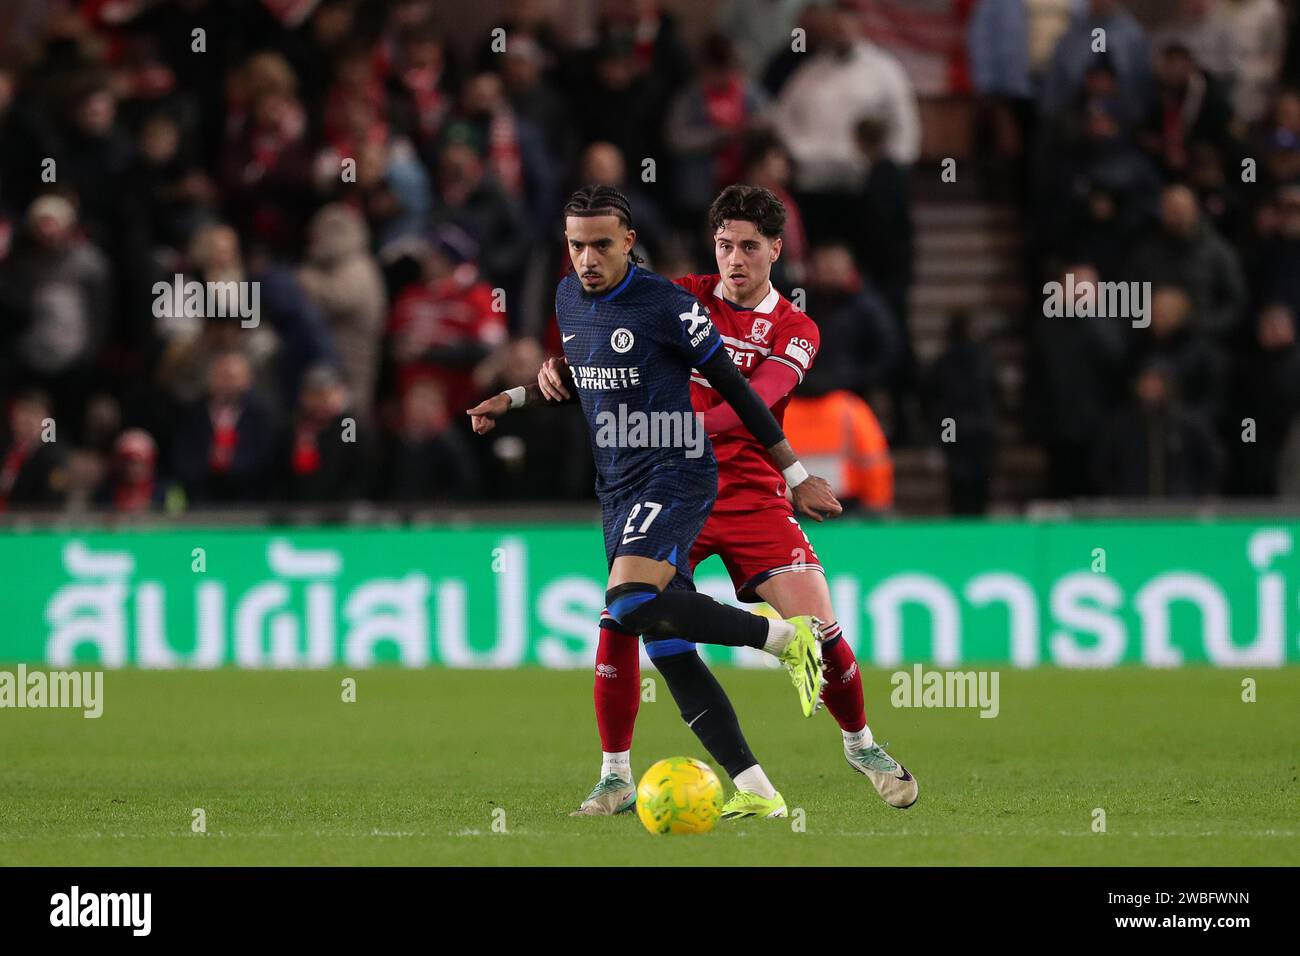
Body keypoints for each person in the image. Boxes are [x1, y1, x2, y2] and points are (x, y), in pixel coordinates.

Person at [536, 186, 919, 816]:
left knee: (820, 634)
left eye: (748, 247)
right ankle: (623, 775)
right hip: (671, 485)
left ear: (775, 250)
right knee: (628, 619)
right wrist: (558, 369)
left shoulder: (796, 328)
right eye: (723, 245)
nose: (734, 259)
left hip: (751, 496)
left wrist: (662, 423)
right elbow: (605, 340)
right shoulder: (681, 295)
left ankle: (861, 744)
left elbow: (754, 397)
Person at [468, 184, 842, 818]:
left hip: (677, 471)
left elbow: (741, 391)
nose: (587, 259)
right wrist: (519, 395)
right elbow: (584, 377)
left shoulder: (667, 304)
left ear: (629, 243)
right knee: (656, 636)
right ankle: (758, 793)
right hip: (617, 484)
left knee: (630, 603)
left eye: (601, 245)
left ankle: (781, 639)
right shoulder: (566, 297)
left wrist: (796, 471)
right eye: (576, 245)